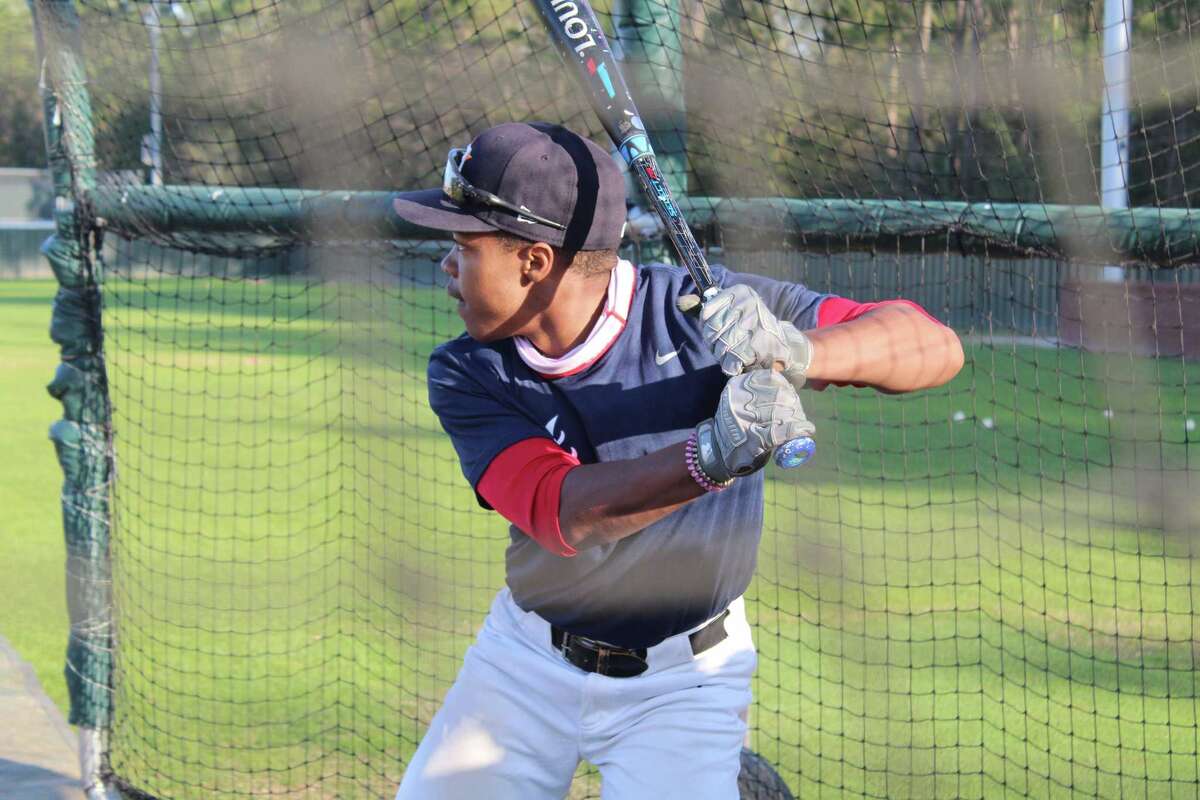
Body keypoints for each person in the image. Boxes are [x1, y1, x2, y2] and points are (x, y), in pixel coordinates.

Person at [390, 121, 964, 799]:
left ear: (534, 262)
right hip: (525, 663)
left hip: (685, 680)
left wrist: (798, 350)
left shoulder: (704, 310)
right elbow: (562, 512)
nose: (446, 266)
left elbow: (935, 345)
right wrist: (712, 454)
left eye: (464, 245)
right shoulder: (468, 369)